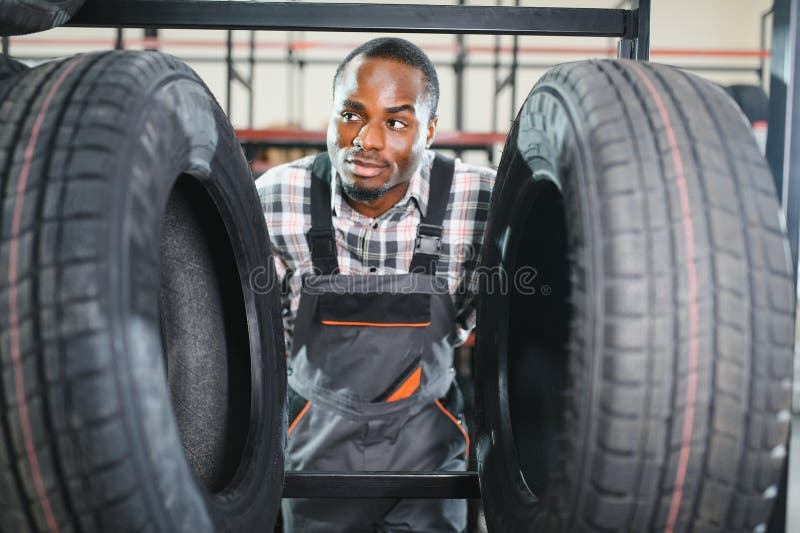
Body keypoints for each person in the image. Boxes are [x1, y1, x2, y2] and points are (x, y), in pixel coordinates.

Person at [256, 37, 495, 533]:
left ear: (428, 131)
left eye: (396, 122)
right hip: (311, 456)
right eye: (350, 114)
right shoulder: (275, 199)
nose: (366, 138)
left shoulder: (482, 204)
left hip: (428, 456)